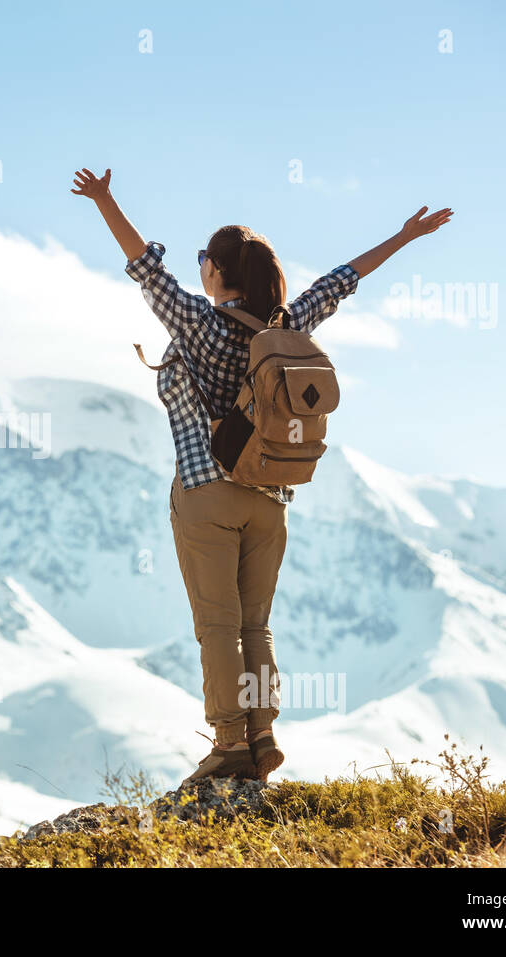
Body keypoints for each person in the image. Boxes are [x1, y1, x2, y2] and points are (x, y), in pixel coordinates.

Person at [72, 166, 452, 786]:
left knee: (218, 625)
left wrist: (106, 201)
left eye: (203, 259)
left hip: (207, 494)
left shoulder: (196, 322)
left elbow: (145, 266)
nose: (198, 267)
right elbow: (341, 282)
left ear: (217, 272)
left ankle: (227, 745)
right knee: (255, 624)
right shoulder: (283, 327)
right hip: (270, 499)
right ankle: (263, 733)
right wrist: (404, 236)